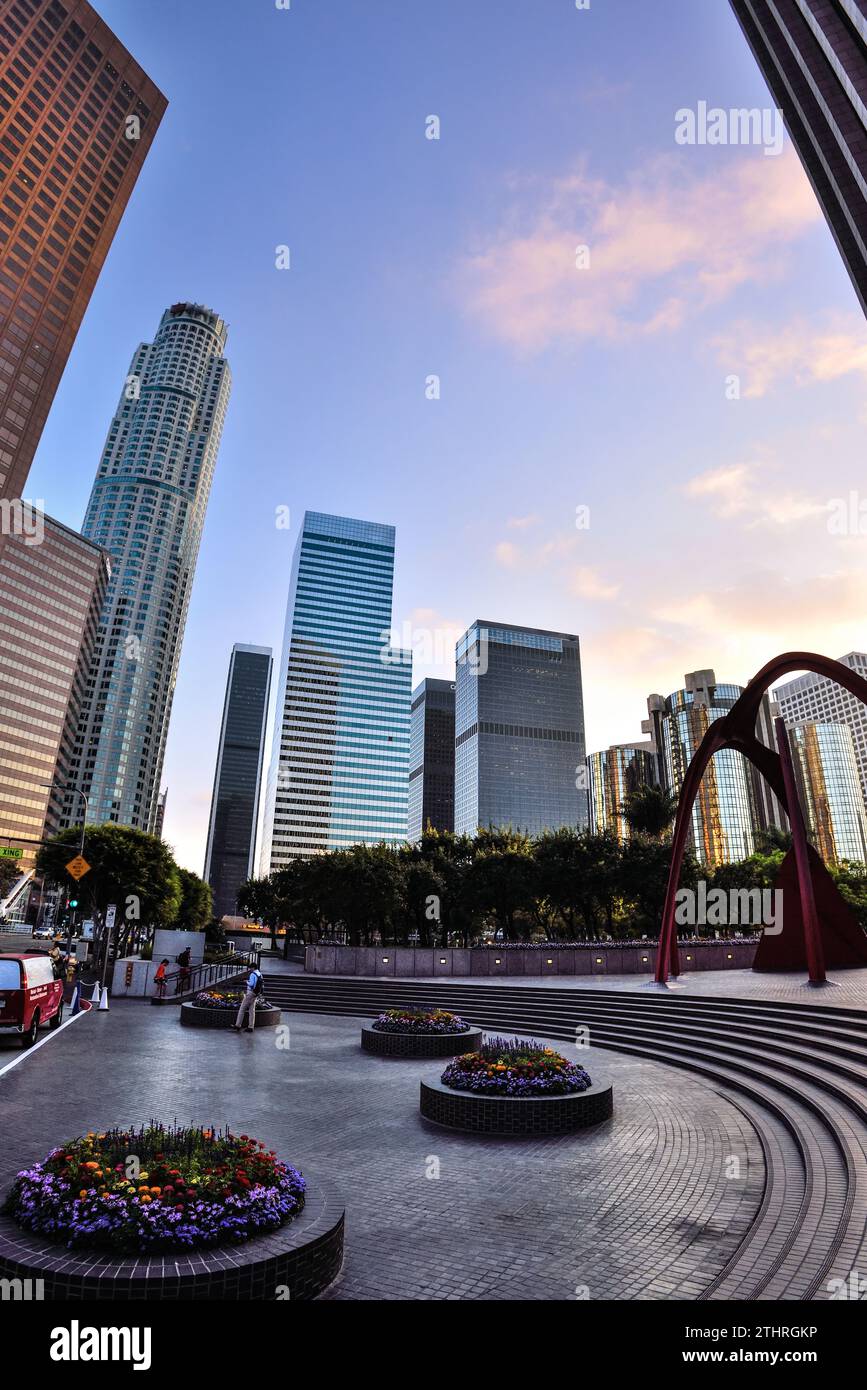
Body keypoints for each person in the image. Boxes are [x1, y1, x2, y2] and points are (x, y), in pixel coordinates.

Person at [232, 965, 265, 1033]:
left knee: (242, 1009)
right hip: (256, 994)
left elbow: (251, 984)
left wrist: (247, 981)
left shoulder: (253, 974)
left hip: (250, 993)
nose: (249, 969)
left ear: (253, 968)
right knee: (252, 1011)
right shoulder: (260, 974)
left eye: (250, 968)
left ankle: (238, 1025)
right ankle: (251, 1027)